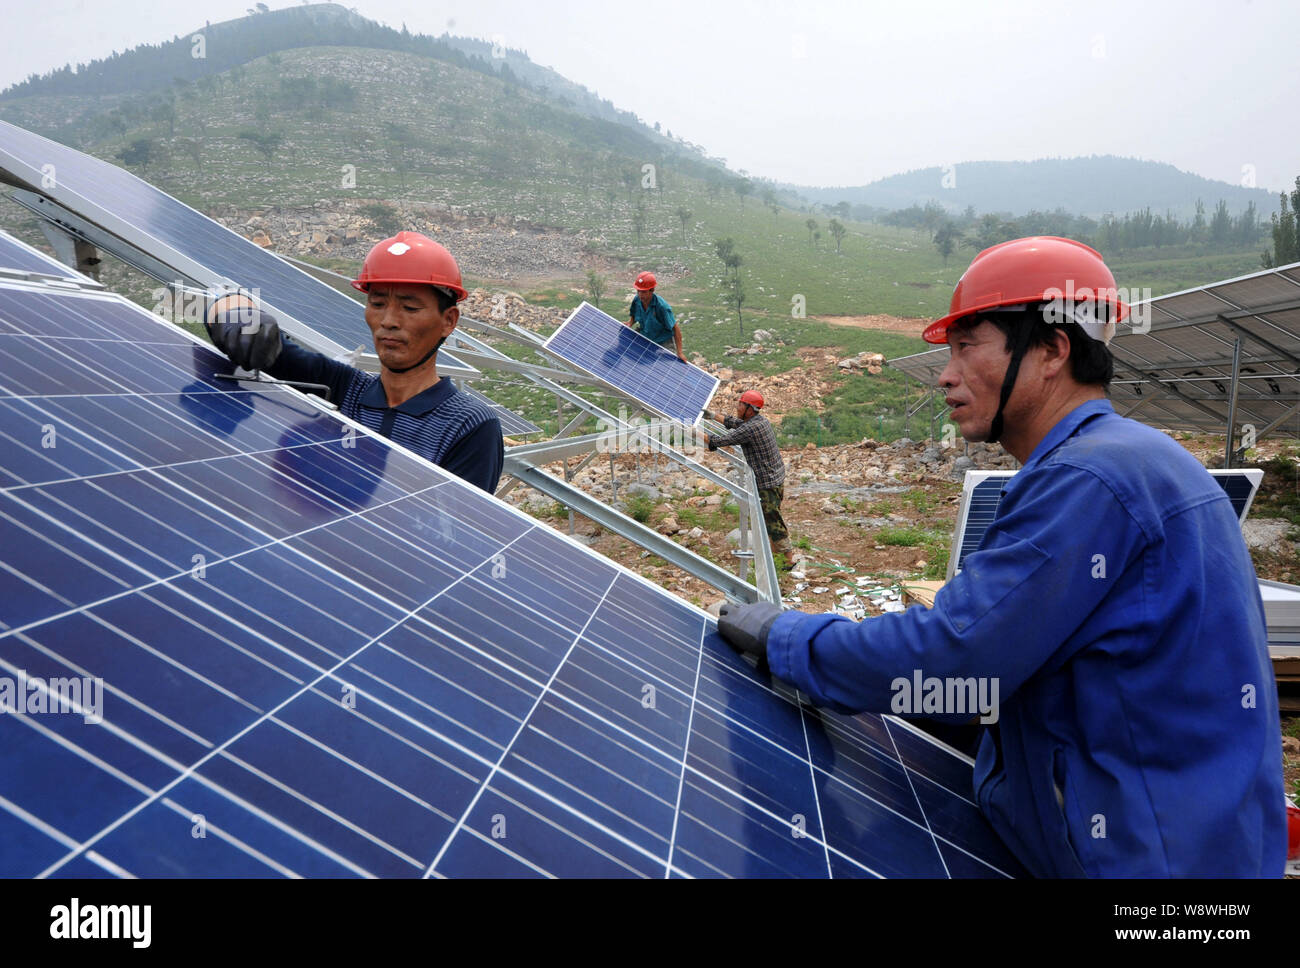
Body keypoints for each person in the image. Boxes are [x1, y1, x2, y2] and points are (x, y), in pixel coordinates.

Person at [716, 236, 1285, 877]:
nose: (945, 373)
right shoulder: (1124, 459)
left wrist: (787, 639)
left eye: (967, 346)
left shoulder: (1091, 478)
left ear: (1051, 351)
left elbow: (952, 653)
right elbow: (1012, 674)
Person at [204, 231, 504, 493]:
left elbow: (460, 534)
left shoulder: (470, 426)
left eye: (410, 307)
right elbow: (265, 342)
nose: (388, 321)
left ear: (448, 321)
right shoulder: (341, 388)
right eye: (377, 304)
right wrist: (230, 311)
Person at [706, 390, 790, 558]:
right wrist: (713, 415)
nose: (737, 408)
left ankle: (788, 561)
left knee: (773, 521)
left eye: (740, 405)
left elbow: (720, 441)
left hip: (768, 482)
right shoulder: (759, 421)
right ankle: (776, 556)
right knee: (771, 518)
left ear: (750, 409)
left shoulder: (750, 429)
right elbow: (735, 423)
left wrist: (692, 432)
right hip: (776, 477)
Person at [626, 270, 686, 362]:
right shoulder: (637, 300)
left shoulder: (662, 307)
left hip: (662, 342)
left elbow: (675, 329)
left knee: (663, 369)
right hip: (645, 337)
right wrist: (630, 322)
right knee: (632, 358)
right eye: (639, 291)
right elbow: (634, 314)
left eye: (644, 292)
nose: (640, 295)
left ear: (652, 291)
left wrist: (680, 352)